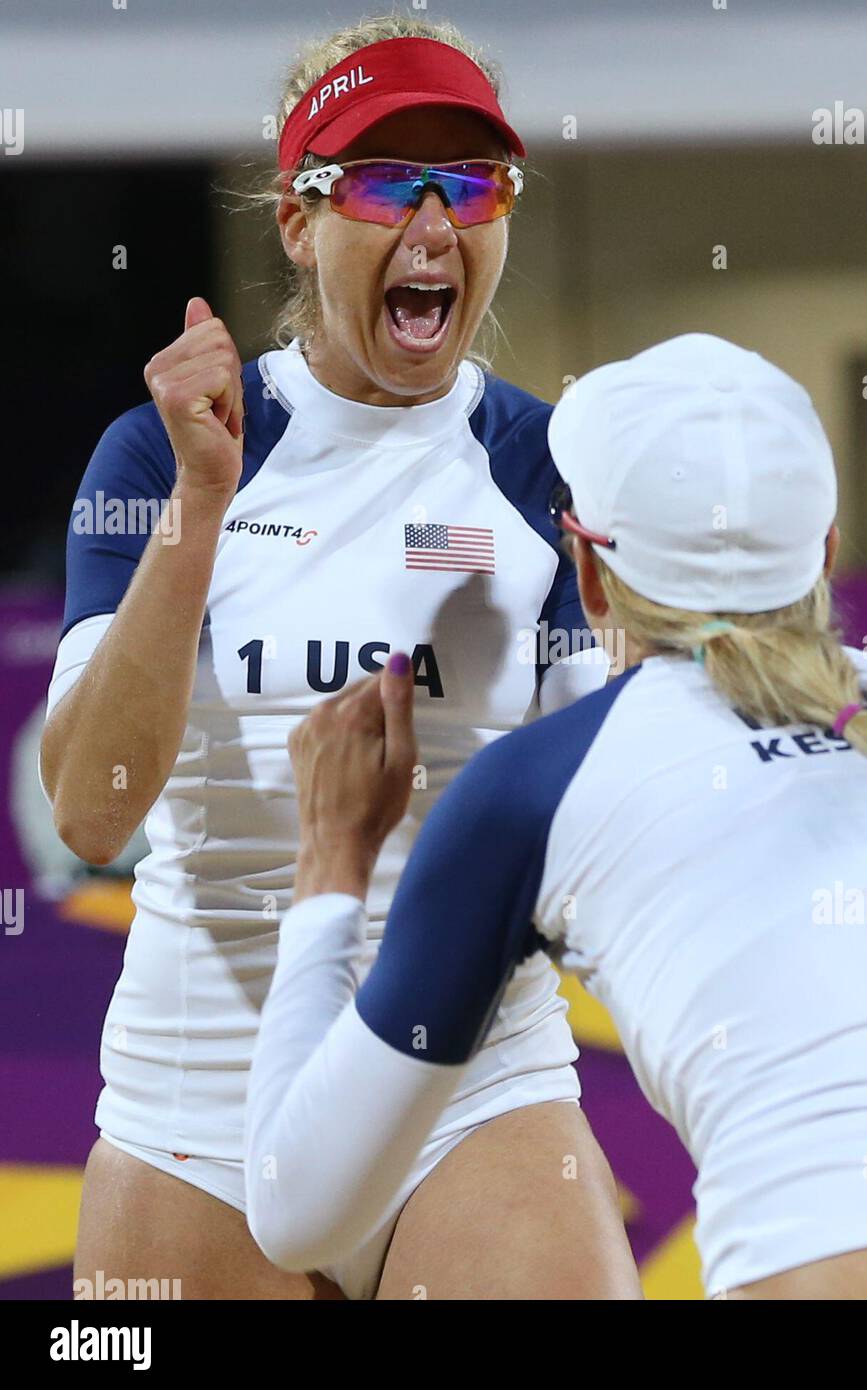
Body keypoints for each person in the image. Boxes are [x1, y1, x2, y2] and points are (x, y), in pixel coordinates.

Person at [246, 333, 867, 1299]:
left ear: (588, 576)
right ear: (827, 557)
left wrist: (330, 864)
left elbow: (298, 1209)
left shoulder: (538, 784)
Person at [40, 15, 638, 1301]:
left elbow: (609, 838)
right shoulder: (162, 456)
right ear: (301, 222)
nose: (434, 217)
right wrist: (201, 509)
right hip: (200, 1098)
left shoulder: (552, 466)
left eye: (470, 181)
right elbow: (93, 810)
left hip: (469, 1082)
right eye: (383, 179)